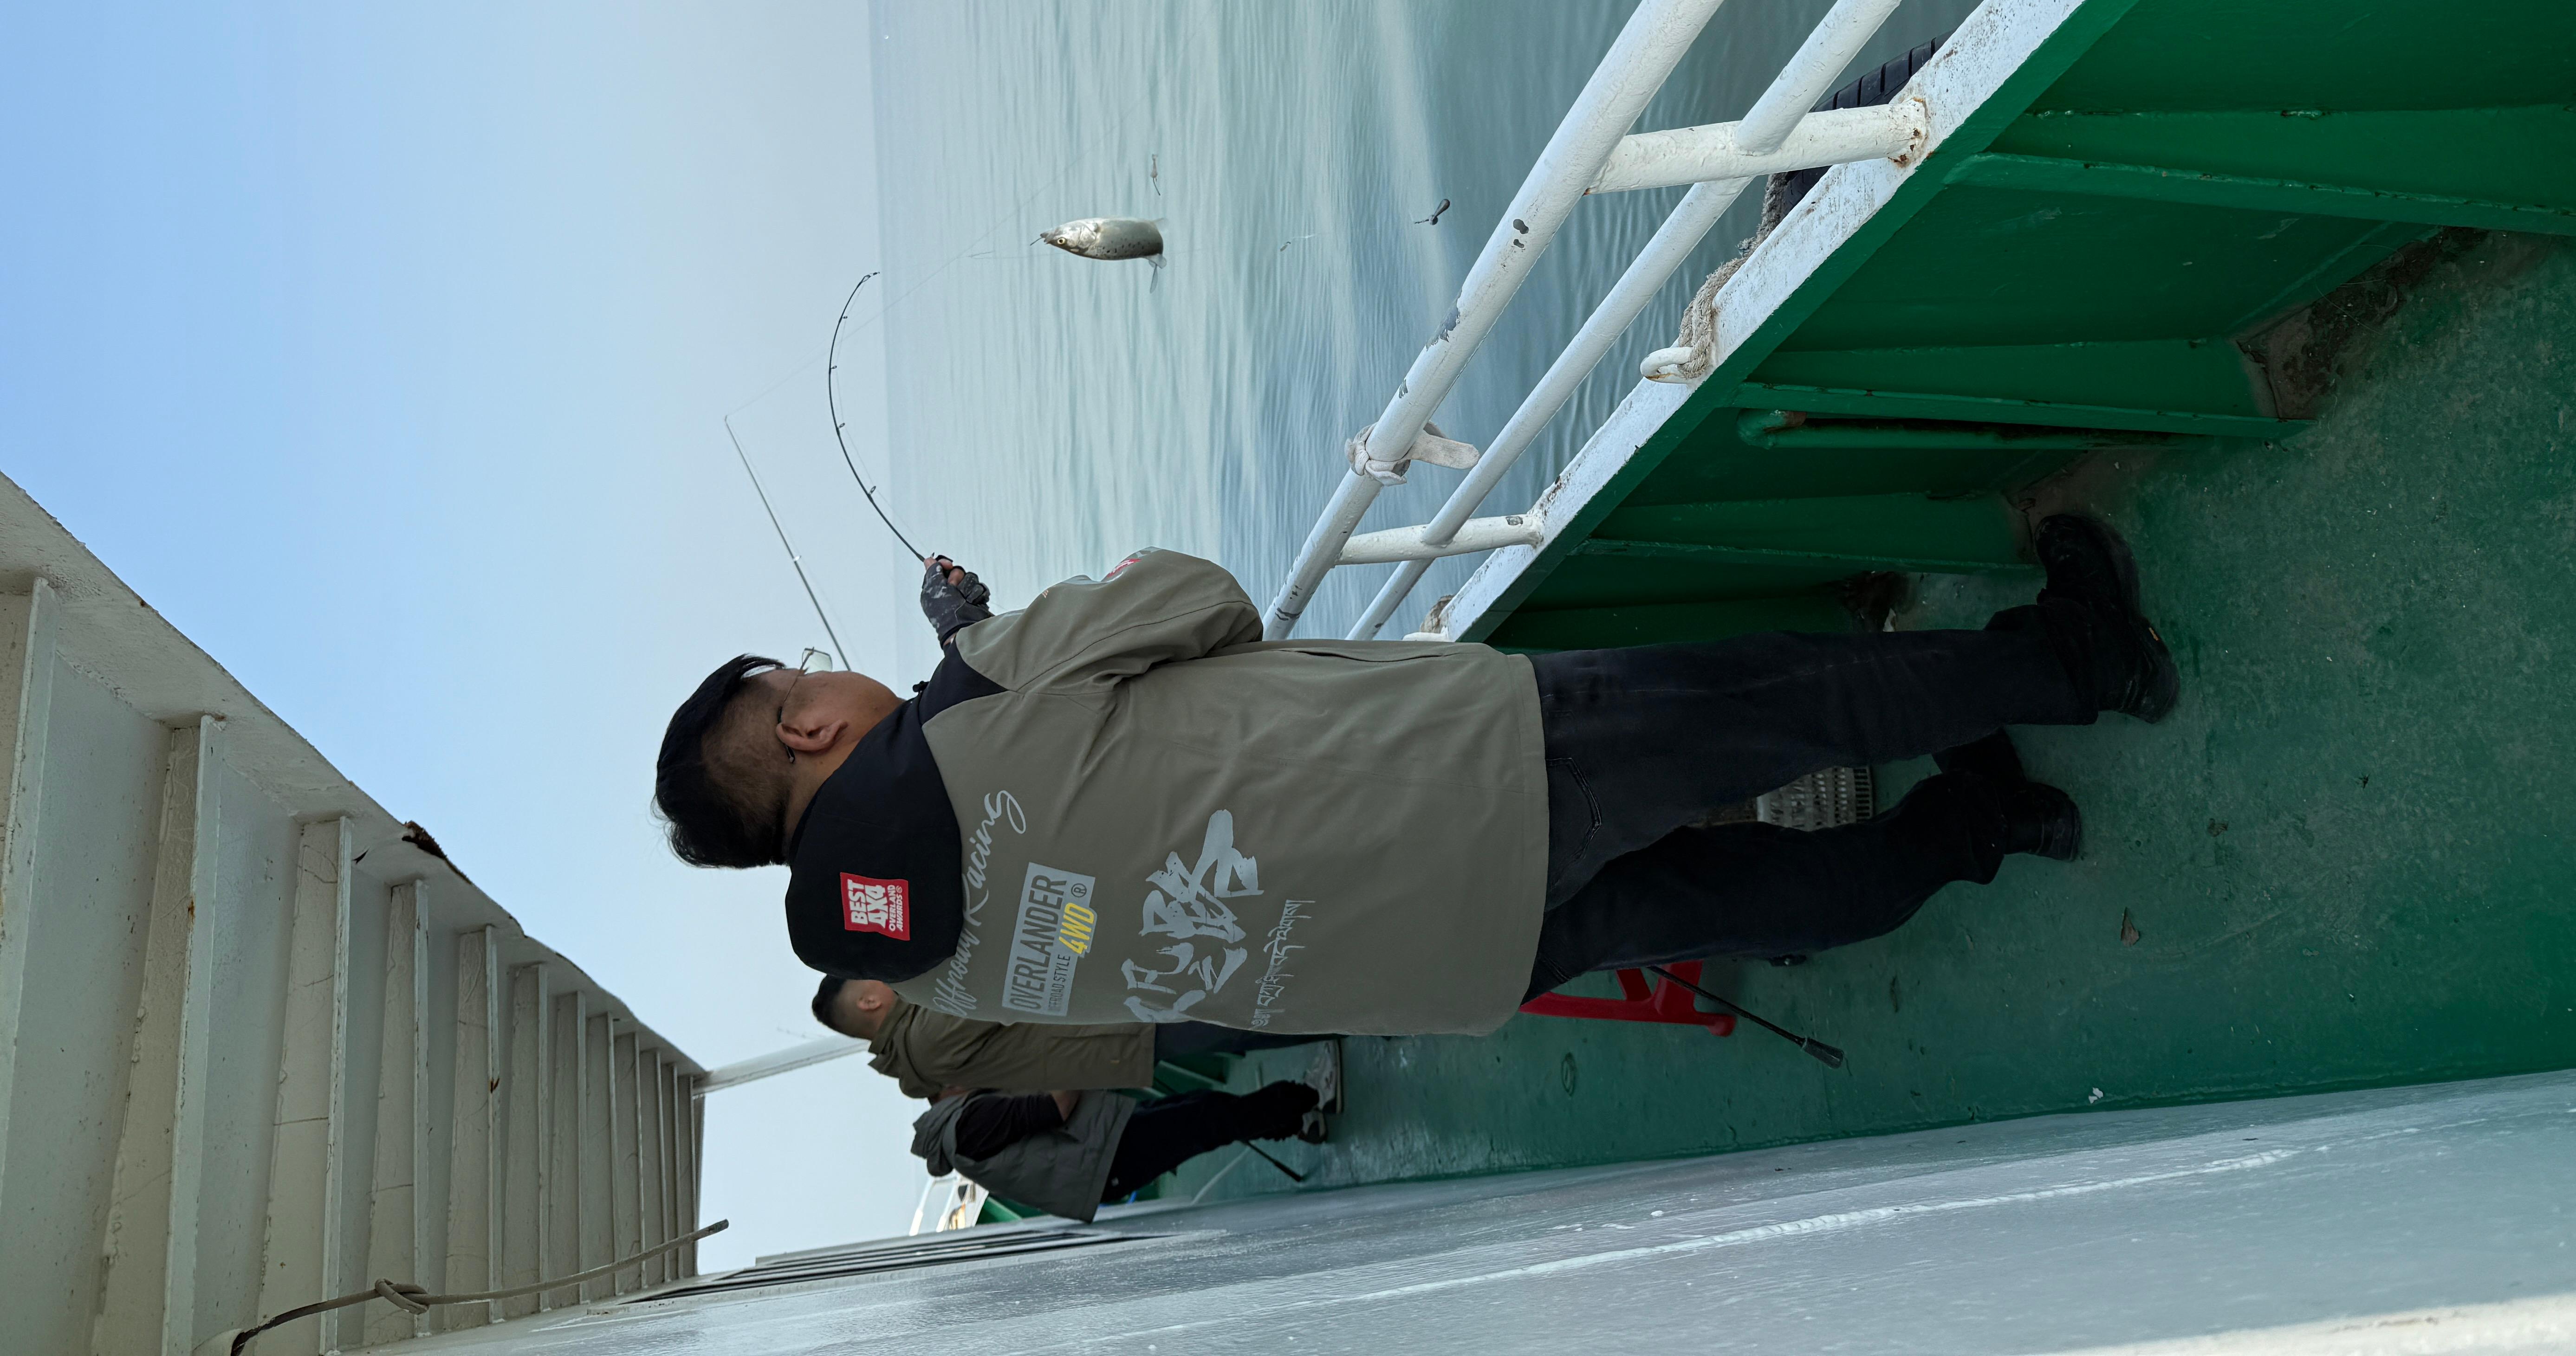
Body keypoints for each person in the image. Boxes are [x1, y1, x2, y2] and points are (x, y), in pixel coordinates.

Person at [653, 515, 2175, 1037]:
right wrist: (973, 643)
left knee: (1753, 896)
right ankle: (2078, 661)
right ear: (803, 733)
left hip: (1445, 957)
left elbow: (1056, 888)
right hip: (1464, 768)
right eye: (803, 680)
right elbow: (1202, 597)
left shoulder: (927, 973)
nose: (830, 681)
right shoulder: (980, 691)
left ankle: (1985, 818)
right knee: (1781, 701)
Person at [811, 972, 1334, 1102]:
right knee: (1239, 1019)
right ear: (870, 1002)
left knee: (1236, 1025)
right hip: (1114, 1027)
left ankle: (1342, 1012)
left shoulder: (919, 1047)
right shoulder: (925, 1038)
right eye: (872, 973)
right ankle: (1348, 1015)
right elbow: (1001, 983)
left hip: (1110, 1031)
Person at [912, 1078, 1324, 1223]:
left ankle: (1295, 1120)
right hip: (1104, 1155)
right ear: (945, 1087)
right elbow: (1057, 1107)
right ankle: (1308, 1099)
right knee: (1208, 1118)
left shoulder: (959, 1131)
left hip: (1103, 1149)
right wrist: (1072, 1053)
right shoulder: (968, 1123)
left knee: (1203, 1111)